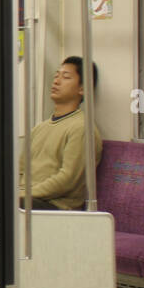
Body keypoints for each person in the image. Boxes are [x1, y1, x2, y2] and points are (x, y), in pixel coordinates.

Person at [21, 56, 102, 210]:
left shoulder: (82, 129)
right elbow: (20, 169)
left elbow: (67, 179)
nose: (56, 81)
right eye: (56, 76)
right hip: (29, 198)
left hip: (56, 205)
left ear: (82, 89)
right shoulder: (40, 128)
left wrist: (24, 194)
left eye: (66, 77)